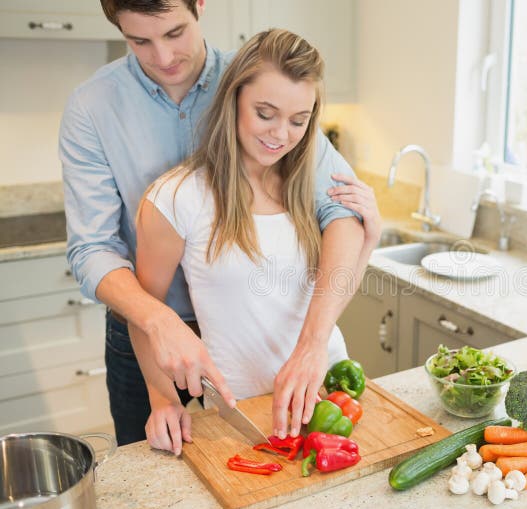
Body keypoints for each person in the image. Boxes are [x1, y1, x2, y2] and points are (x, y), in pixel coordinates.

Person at [59, 0, 380, 446]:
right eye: (140, 41)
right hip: (148, 326)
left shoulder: (257, 77)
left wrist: (313, 344)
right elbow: (91, 249)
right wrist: (156, 323)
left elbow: (340, 209)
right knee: (155, 463)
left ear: (200, 5)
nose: (164, 57)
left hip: (244, 338)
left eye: (174, 33)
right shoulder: (92, 108)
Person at [133, 28, 361, 454]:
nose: (280, 134)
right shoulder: (178, 197)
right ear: (235, 98)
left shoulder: (311, 185)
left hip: (330, 398)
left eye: (299, 120)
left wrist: (374, 230)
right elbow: (145, 317)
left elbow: (346, 262)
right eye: (265, 113)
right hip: (239, 417)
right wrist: (162, 399)